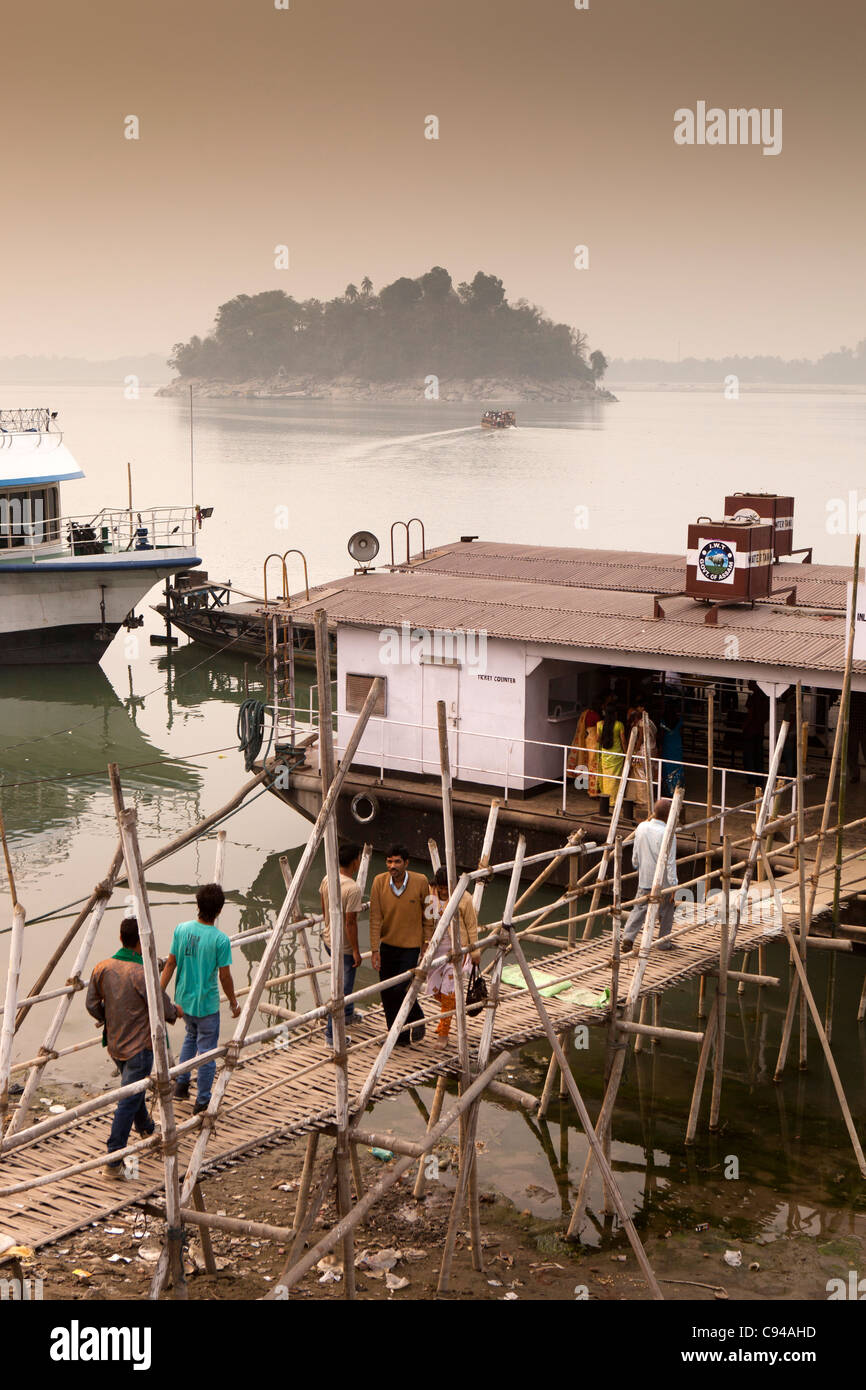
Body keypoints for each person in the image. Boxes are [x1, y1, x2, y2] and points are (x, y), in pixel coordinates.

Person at [86, 917, 181, 1178]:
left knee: (133, 1088)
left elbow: (92, 1004)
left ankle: (148, 1128)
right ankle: (114, 1159)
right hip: (140, 1046)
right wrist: (175, 1012)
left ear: (121, 939)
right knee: (128, 1100)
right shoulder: (142, 973)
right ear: (141, 941)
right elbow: (162, 1005)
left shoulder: (102, 967)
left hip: (115, 1043)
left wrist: (108, 1016)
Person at [160, 883, 240, 1113]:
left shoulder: (181, 930)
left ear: (197, 905)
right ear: (220, 910)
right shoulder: (220, 940)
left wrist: (159, 991)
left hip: (183, 1002)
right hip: (206, 1005)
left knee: (190, 1037)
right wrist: (234, 1003)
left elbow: (171, 963)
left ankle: (182, 1085)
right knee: (207, 1052)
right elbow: (225, 976)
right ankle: (203, 1101)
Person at [369, 845, 430, 1046]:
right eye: (389, 861)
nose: (392, 866)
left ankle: (417, 1015)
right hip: (387, 945)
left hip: (411, 946)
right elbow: (375, 917)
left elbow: (430, 915)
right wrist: (374, 949)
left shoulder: (421, 881)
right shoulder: (379, 882)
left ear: (406, 863)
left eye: (396, 862)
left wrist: (427, 942)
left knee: (400, 989)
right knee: (387, 992)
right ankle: (397, 1036)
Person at [424, 867, 480, 1048]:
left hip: (456, 951)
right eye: (440, 887)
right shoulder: (431, 895)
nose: (442, 891)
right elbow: (427, 921)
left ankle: (443, 1032)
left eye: (445, 887)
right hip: (435, 950)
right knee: (434, 990)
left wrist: (474, 951)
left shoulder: (465, 899)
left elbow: (471, 926)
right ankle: (449, 1011)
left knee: (449, 991)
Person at [320, 842, 363, 1047]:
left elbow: (323, 906)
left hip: (328, 938)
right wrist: (355, 950)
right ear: (355, 862)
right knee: (342, 989)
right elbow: (350, 922)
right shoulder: (353, 889)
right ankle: (331, 1035)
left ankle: (347, 1014)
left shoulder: (328, 878)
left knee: (344, 982)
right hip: (343, 945)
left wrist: (328, 924)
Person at [621, 798, 678, 954]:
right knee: (667, 910)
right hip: (662, 882)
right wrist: (674, 886)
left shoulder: (642, 827)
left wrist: (636, 864)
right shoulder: (668, 833)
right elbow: (670, 862)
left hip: (645, 878)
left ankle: (628, 937)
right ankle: (663, 942)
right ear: (669, 815)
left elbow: (636, 852)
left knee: (639, 908)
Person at [626, 701, 657, 816]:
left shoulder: (641, 724)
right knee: (646, 774)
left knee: (640, 774)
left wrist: (634, 751)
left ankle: (643, 800)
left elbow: (640, 739)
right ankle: (637, 797)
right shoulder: (651, 723)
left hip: (643, 751)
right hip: (652, 750)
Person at [598, 703, 626, 815]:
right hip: (617, 756)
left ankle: (606, 799)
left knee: (606, 778)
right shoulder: (619, 725)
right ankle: (614, 801)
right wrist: (627, 753)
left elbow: (598, 739)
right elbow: (623, 741)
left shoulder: (599, 724)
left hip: (605, 755)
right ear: (615, 714)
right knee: (615, 779)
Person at [659, 699, 685, 795]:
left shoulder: (663, 720)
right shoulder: (679, 720)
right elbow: (682, 734)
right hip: (677, 745)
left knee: (666, 767)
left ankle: (666, 790)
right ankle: (676, 789)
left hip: (667, 745)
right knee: (677, 766)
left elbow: (661, 735)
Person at [742, 682, 769, 775]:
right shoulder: (765, 698)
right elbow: (766, 716)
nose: (748, 684)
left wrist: (745, 726)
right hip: (759, 730)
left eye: (750, 682)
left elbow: (750, 714)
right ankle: (759, 779)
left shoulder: (754, 698)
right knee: (758, 756)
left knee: (749, 756)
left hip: (751, 731)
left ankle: (751, 779)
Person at [847, 691, 866, 785]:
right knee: (851, 752)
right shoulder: (851, 692)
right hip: (853, 725)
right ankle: (854, 775)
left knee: (852, 752)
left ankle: (854, 775)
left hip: (860, 725)